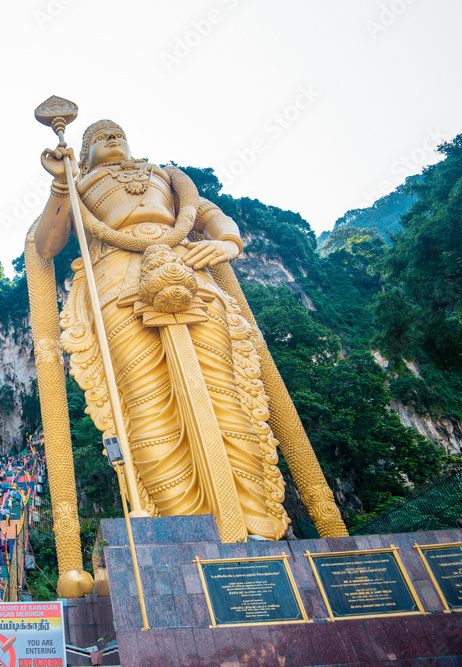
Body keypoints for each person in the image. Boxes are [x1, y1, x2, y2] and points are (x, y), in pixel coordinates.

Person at [28, 119, 289, 541]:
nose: (111, 139)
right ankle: (182, 527)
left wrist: (228, 244)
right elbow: (46, 244)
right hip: (116, 282)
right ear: (85, 151)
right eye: (98, 137)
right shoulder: (80, 187)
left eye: (118, 133)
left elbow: (212, 216)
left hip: (189, 272)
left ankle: (255, 520)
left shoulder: (166, 178)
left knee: (224, 392)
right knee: (144, 399)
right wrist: (62, 184)